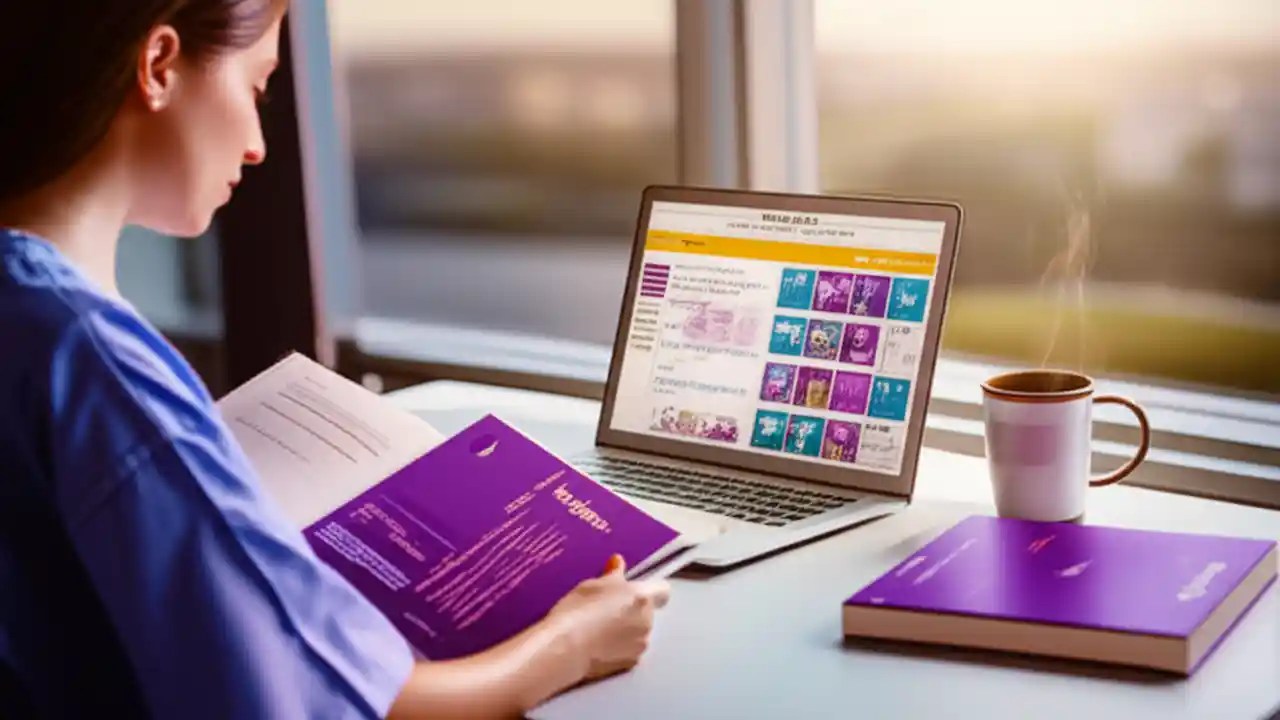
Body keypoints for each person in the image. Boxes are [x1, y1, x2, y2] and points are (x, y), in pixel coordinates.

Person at [0, 2, 670, 718]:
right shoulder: (96, 365)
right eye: (256, 87)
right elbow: (323, 700)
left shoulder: (32, 312)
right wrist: (572, 640)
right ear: (159, 64)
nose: (258, 145)